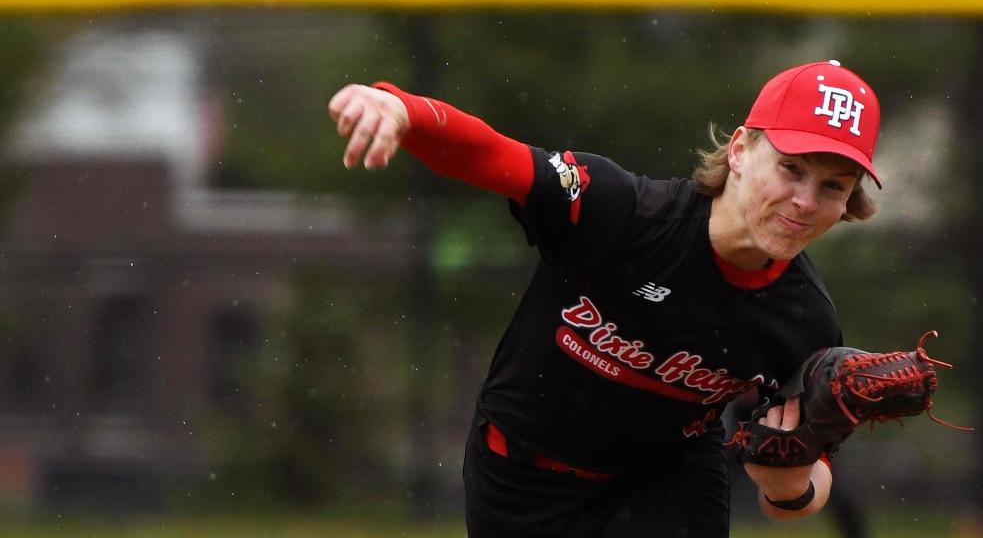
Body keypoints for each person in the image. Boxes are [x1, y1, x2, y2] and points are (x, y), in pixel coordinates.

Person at [328, 59, 882, 538]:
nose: (805, 200)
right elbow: (493, 156)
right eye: (791, 168)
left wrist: (788, 486)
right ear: (740, 150)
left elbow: (806, 486)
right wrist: (400, 109)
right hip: (519, 474)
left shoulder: (805, 320)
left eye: (833, 186)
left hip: (669, 484)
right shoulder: (623, 214)